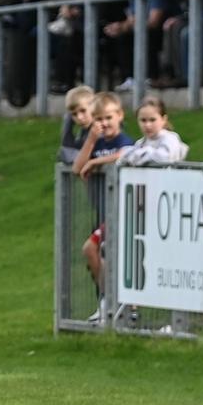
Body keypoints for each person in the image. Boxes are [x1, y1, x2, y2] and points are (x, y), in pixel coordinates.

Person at [74, 93, 133, 312]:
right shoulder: (95, 142)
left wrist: (97, 162)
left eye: (108, 117)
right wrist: (90, 141)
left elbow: (127, 154)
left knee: (112, 256)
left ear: (120, 116)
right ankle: (107, 299)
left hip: (122, 212)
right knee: (93, 251)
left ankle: (120, 305)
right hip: (103, 212)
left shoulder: (124, 141)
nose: (104, 123)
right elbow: (76, 167)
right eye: (98, 119)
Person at [117, 96, 188, 166]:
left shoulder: (170, 139)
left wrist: (144, 153)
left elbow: (164, 158)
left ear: (163, 119)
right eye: (143, 120)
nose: (148, 125)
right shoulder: (140, 143)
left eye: (152, 120)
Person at [59, 85, 96, 166]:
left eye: (83, 111)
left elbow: (71, 157)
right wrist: (68, 121)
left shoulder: (100, 131)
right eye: (74, 114)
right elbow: (67, 152)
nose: (79, 117)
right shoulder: (84, 133)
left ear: (94, 107)